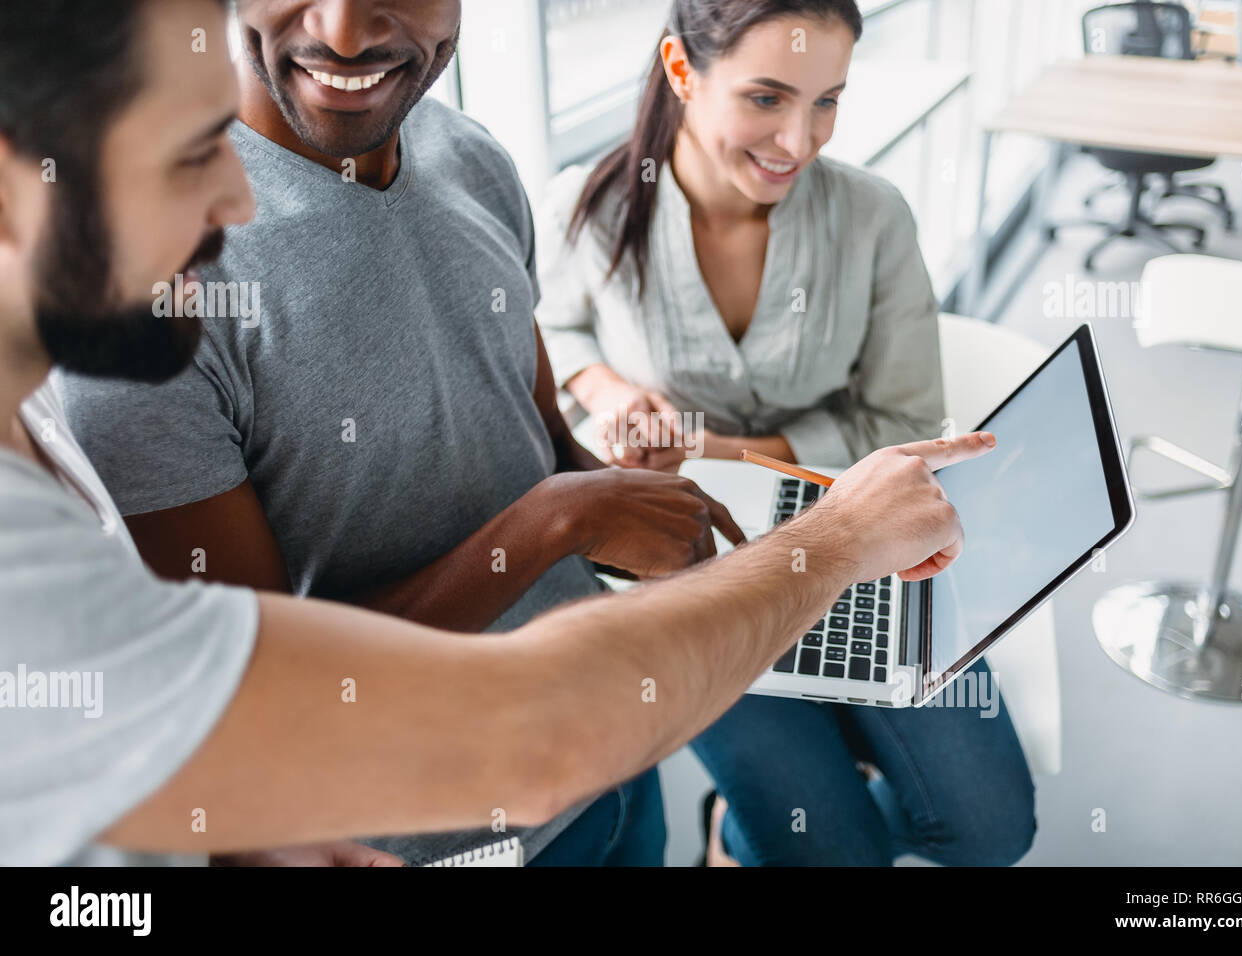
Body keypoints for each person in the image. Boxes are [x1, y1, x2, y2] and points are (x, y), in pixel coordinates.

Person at [0, 0, 993, 867]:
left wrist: (613, 497)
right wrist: (815, 537)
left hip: (614, 769)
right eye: (191, 148)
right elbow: (326, 704)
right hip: (440, 823)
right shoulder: (144, 327)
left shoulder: (470, 156)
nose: (239, 194)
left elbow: (537, 439)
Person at [536, 0, 1036, 866]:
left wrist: (708, 447)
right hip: (691, 568)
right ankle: (739, 839)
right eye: (766, 98)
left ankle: (743, 835)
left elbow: (904, 428)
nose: (799, 143)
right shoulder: (588, 205)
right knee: (828, 853)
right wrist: (608, 388)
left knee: (991, 832)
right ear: (682, 70)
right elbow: (557, 330)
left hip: (866, 542)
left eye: (827, 101)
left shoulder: (874, 219)